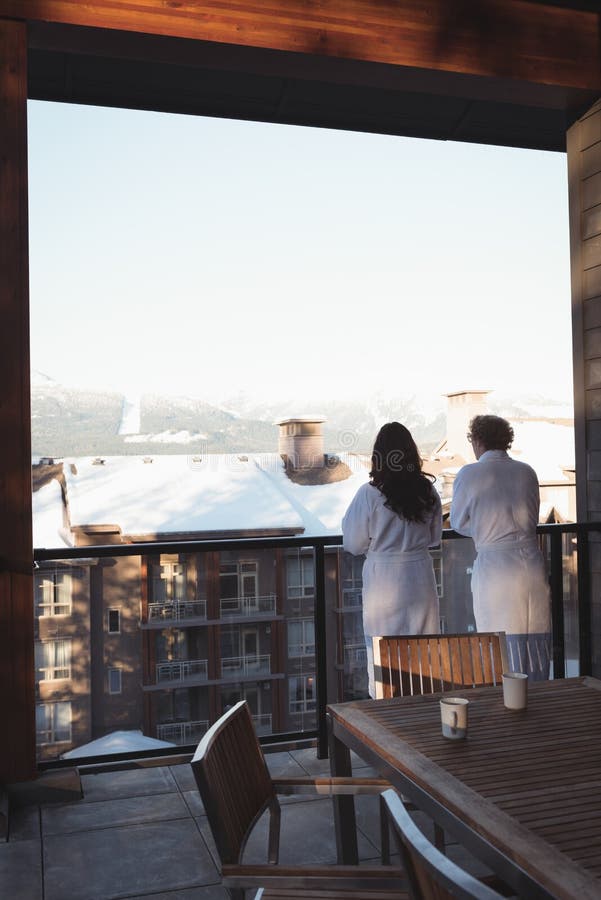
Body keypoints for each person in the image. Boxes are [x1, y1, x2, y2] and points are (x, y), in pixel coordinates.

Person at [342, 422, 442, 698]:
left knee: (383, 654)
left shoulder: (370, 494)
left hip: (384, 581)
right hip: (420, 577)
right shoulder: (427, 492)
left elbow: (352, 542)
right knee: (422, 654)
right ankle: (421, 718)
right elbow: (434, 538)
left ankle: (387, 722)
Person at [450, 414, 551, 680]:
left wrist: (485, 531)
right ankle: (538, 700)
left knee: (500, 640)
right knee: (534, 635)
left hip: (496, 569)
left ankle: (505, 704)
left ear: (478, 441)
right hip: (531, 562)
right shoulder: (526, 471)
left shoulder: (470, 474)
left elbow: (458, 521)